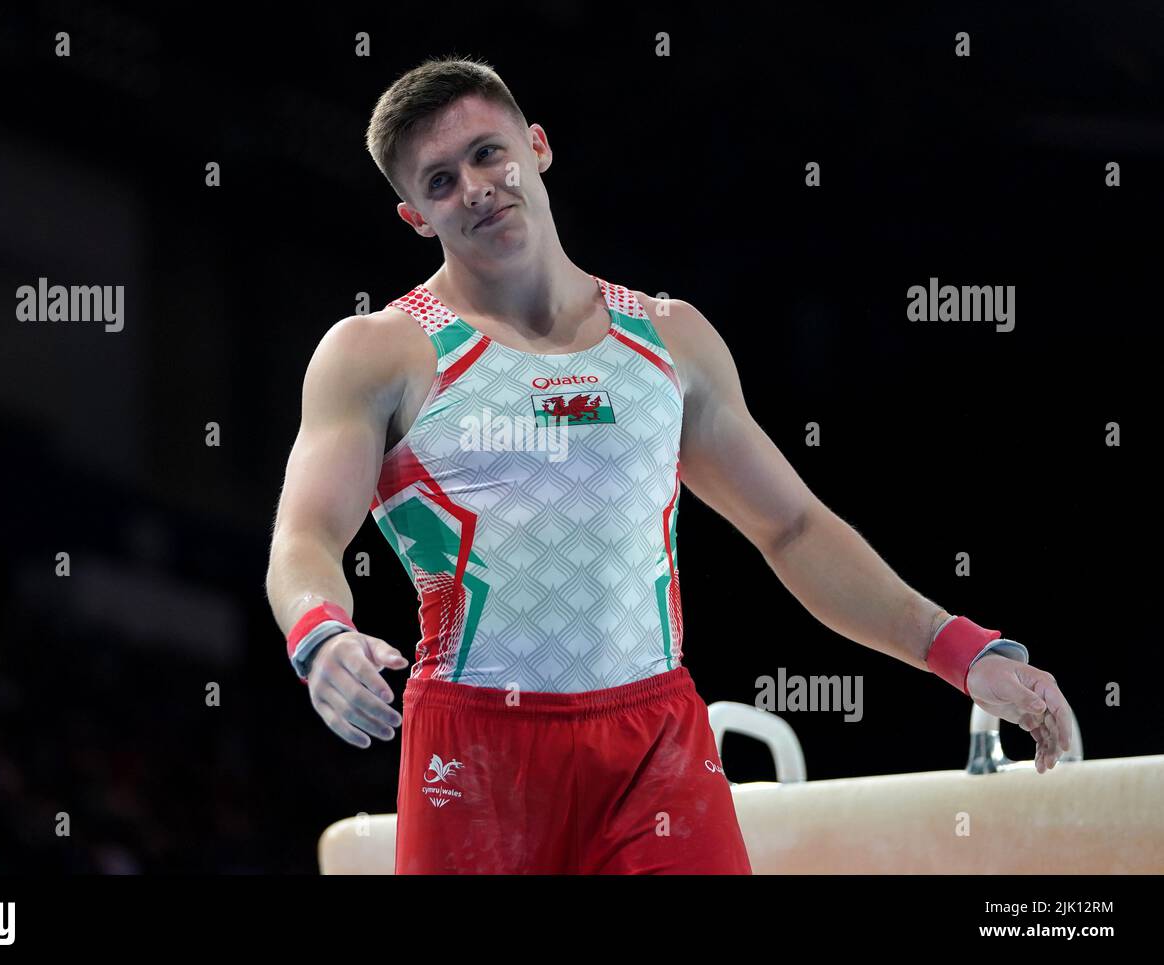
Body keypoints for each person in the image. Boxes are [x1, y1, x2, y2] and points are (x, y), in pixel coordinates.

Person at [265, 56, 1073, 874]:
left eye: (487, 152)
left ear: (537, 147)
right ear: (414, 217)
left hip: (655, 745)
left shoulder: (668, 337)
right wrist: (320, 634)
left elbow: (792, 527)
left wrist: (958, 648)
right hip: (474, 753)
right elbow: (304, 536)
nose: (474, 187)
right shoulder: (375, 353)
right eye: (439, 181)